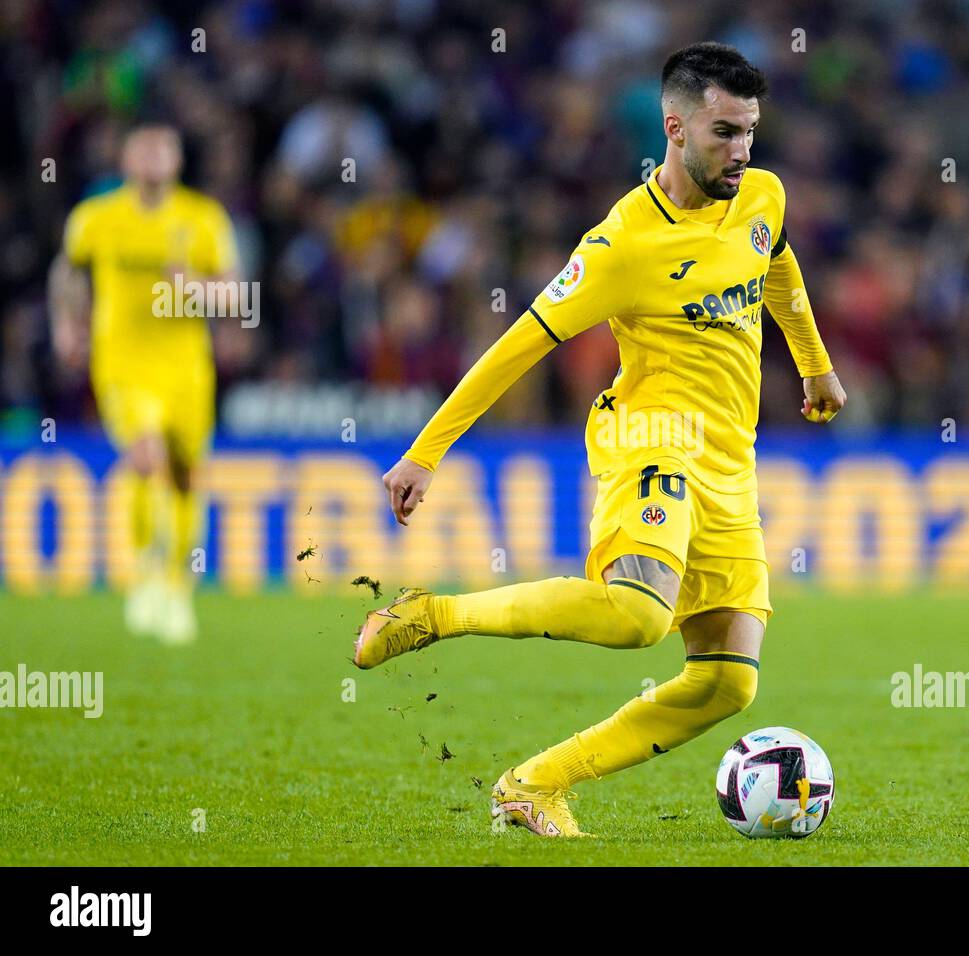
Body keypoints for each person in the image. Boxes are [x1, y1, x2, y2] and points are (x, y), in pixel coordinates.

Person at [351, 42, 845, 836]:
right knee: (638, 617)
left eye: (751, 131)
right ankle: (434, 615)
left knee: (726, 684)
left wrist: (815, 367)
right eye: (725, 132)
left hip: (730, 461)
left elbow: (777, 266)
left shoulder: (763, 196)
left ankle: (533, 784)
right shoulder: (620, 245)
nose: (743, 150)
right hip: (650, 438)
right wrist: (425, 452)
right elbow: (520, 343)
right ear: (675, 128)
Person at [49, 123, 239, 643]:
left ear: (176, 159)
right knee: (144, 455)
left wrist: (194, 289)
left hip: (186, 368)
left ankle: (177, 586)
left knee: (184, 476)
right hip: (122, 363)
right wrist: (67, 325)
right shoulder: (97, 217)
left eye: (163, 148)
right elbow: (67, 274)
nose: (154, 156)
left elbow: (236, 298)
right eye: (144, 148)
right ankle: (143, 574)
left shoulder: (202, 219)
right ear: (126, 159)